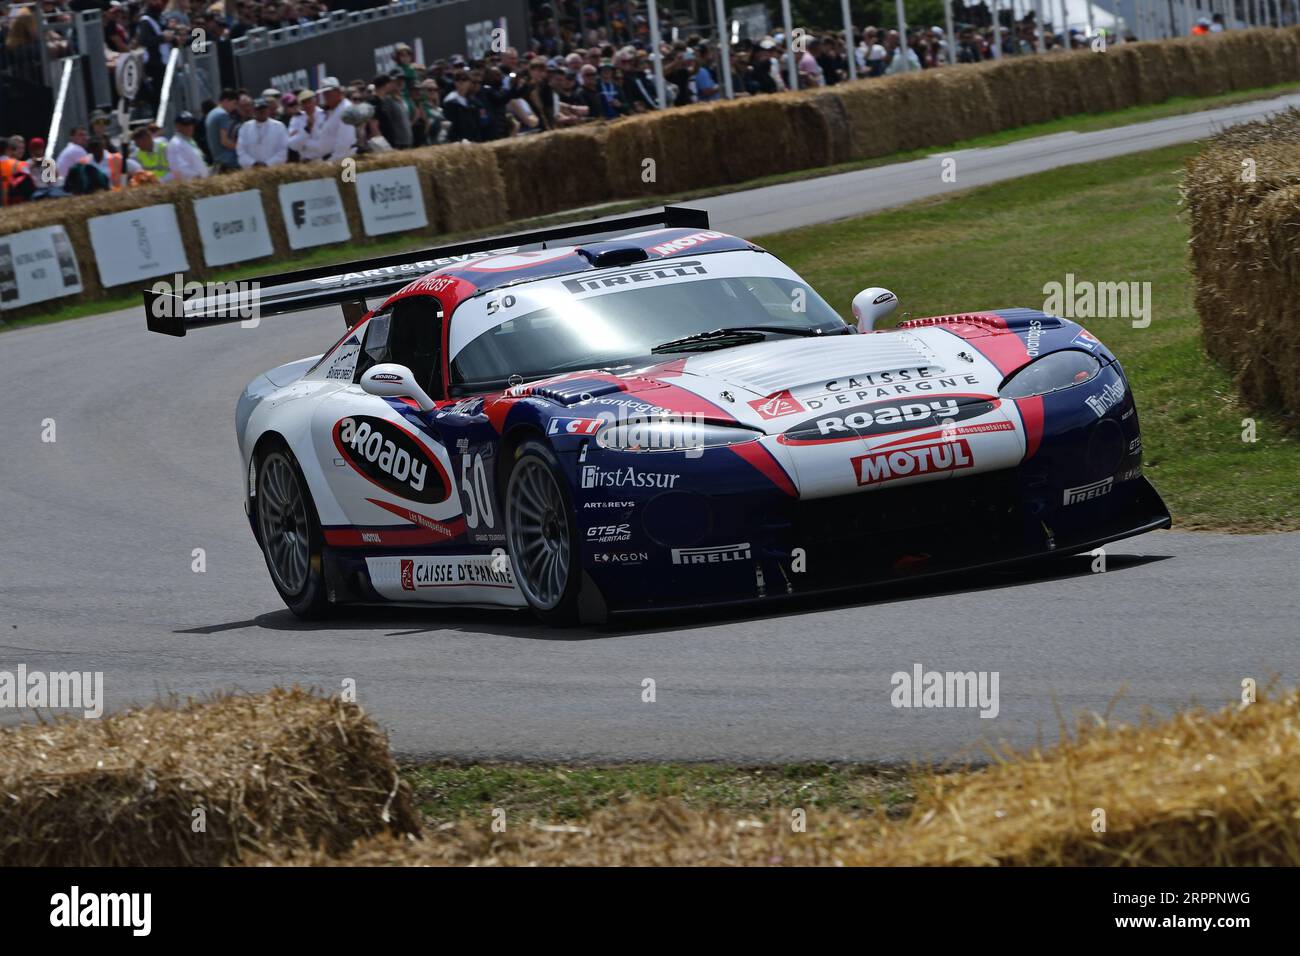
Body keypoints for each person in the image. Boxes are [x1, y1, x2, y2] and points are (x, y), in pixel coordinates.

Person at [237, 97, 288, 167]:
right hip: (251, 170)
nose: (261, 111)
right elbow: (240, 150)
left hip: (274, 169)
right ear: (253, 110)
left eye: (264, 109)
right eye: (258, 109)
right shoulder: (245, 127)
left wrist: (268, 164)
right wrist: (253, 163)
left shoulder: (279, 126)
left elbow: (283, 150)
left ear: (268, 110)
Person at [166, 111, 209, 180]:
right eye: (186, 124)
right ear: (178, 126)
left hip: (200, 183)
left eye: (192, 123)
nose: (190, 126)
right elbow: (179, 168)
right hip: (192, 185)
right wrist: (198, 178)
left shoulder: (189, 141)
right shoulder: (175, 144)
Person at [205, 89, 240, 171]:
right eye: (234, 103)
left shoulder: (211, 113)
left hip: (217, 158)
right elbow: (224, 141)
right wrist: (241, 148)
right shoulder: (223, 115)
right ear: (226, 101)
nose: (235, 107)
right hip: (228, 159)